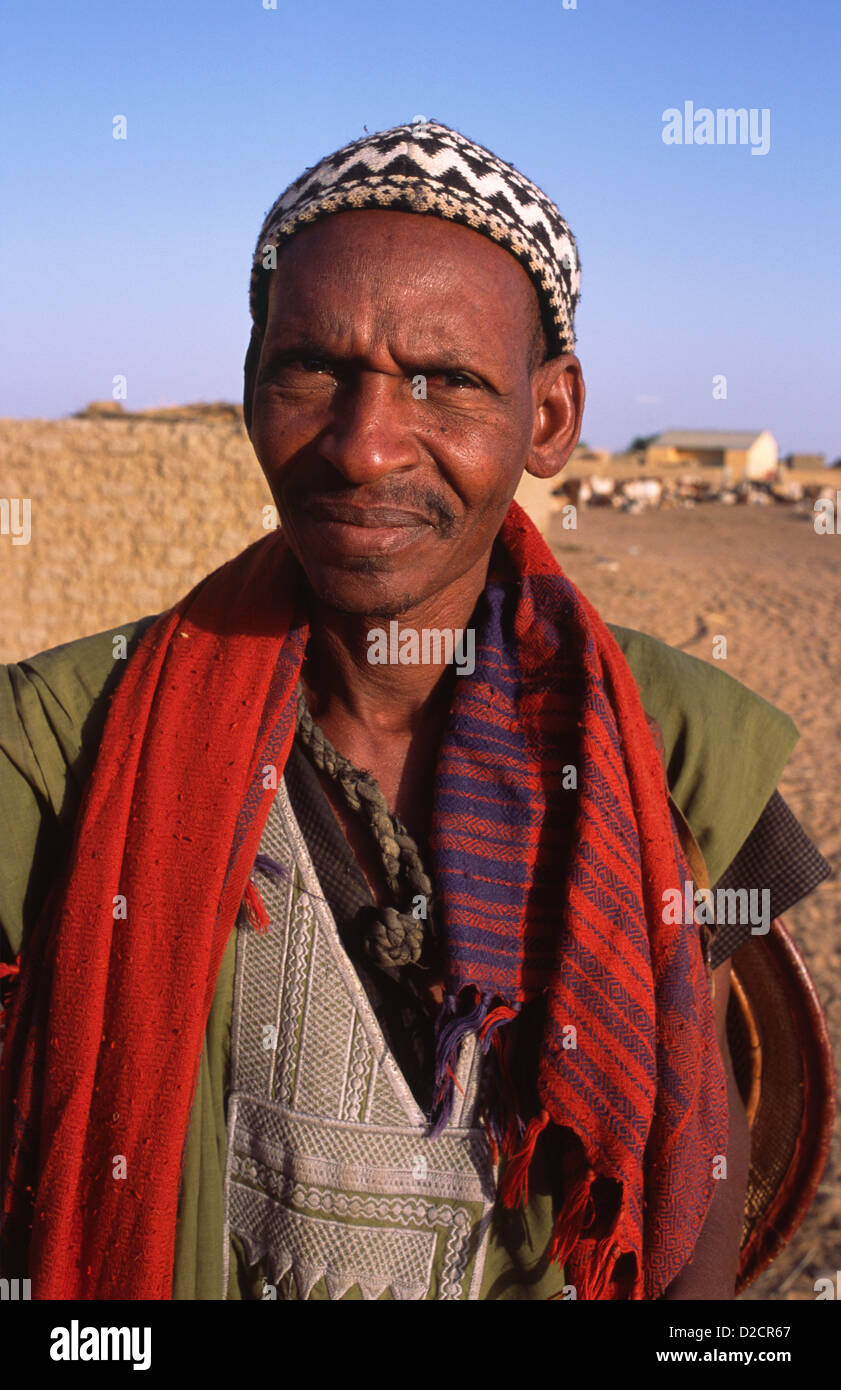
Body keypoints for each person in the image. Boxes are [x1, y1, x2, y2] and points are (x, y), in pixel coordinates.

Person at [0, 119, 831, 1302]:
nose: (363, 444)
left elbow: (705, 1104)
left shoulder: (668, 741)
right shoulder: (76, 729)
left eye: (442, 381)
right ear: (248, 385)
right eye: (312, 369)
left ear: (546, 419)